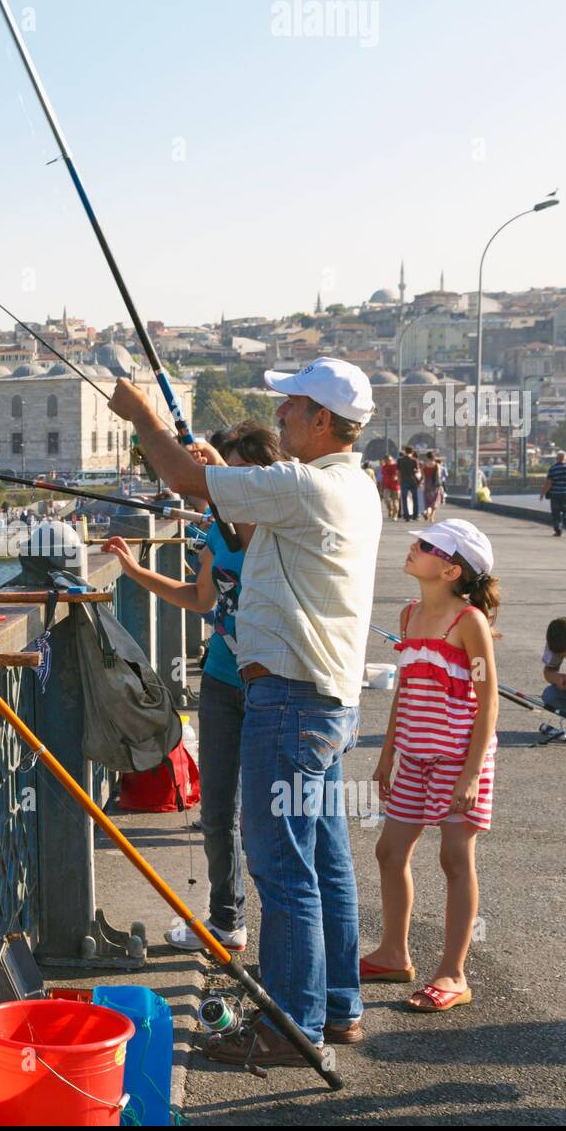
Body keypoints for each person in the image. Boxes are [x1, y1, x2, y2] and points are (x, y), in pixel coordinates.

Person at [110, 355, 380, 1067]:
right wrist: (216, 479)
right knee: (324, 861)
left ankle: (294, 1028)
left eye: (291, 406)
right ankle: (339, 1008)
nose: (281, 414)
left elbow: (181, 482)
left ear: (322, 419)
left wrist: (142, 416)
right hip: (324, 697)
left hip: (289, 699)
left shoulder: (304, 485)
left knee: (281, 867)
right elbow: (239, 519)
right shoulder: (350, 486)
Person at [100, 421, 285, 955]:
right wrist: (134, 572)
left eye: (234, 472)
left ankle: (286, 931)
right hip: (224, 677)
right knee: (217, 810)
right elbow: (202, 599)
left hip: (274, 679)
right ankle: (227, 919)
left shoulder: (276, 519)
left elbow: (251, 520)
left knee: (272, 811)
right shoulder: (214, 526)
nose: (220, 485)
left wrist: (216, 477)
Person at [363, 519, 500, 1013]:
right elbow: (405, 689)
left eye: (426, 546)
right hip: (414, 755)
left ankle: (453, 973)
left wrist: (470, 772)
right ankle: (393, 953)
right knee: (389, 851)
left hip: (459, 758)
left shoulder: (468, 623)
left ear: (450, 569)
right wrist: (387, 753)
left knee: (454, 860)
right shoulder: (408, 615)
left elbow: (488, 704)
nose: (414, 549)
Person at [541, 450, 566, 536]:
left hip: (555, 494)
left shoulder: (552, 468)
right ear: (565, 459)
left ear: (557, 459)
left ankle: (558, 530)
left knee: (555, 512)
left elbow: (548, 482)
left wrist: (542, 493)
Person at [397, 446, 421, 523]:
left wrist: (399, 480)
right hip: (413, 481)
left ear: (405, 451)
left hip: (404, 481)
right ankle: (415, 515)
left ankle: (407, 516)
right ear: (412, 452)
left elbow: (398, 472)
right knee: (415, 499)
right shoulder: (414, 460)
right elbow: (417, 470)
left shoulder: (400, 460)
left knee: (404, 499)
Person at [420, 451, 442, 521]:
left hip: (427, 483)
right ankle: (432, 517)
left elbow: (422, 475)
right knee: (435, 499)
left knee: (427, 498)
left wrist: (421, 482)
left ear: (427, 457)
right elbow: (438, 475)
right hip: (434, 484)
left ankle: (426, 512)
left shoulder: (424, 465)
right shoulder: (436, 465)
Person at [379, 455, 401, 520]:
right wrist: (381, 486)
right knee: (386, 499)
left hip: (395, 486)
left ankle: (395, 516)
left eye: (389, 460)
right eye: (386, 461)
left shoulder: (396, 466)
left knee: (395, 501)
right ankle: (390, 509)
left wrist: (397, 478)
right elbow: (383, 476)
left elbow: (399, 474)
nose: (388, 461)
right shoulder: (384, 467)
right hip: (387, 486)